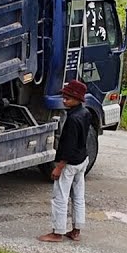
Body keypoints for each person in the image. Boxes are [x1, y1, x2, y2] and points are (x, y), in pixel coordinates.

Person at [38, 79, 92, 243]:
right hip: (82, 160)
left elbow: (68, 146)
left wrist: (59, 167)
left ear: (78, 99)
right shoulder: (86, 113)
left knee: (60, 197)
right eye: (64, 96)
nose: (64, 100)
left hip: (69, 164)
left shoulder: (72, 119)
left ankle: (57, 232)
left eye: (68, 98)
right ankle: (76, 230)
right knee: (78, 197)